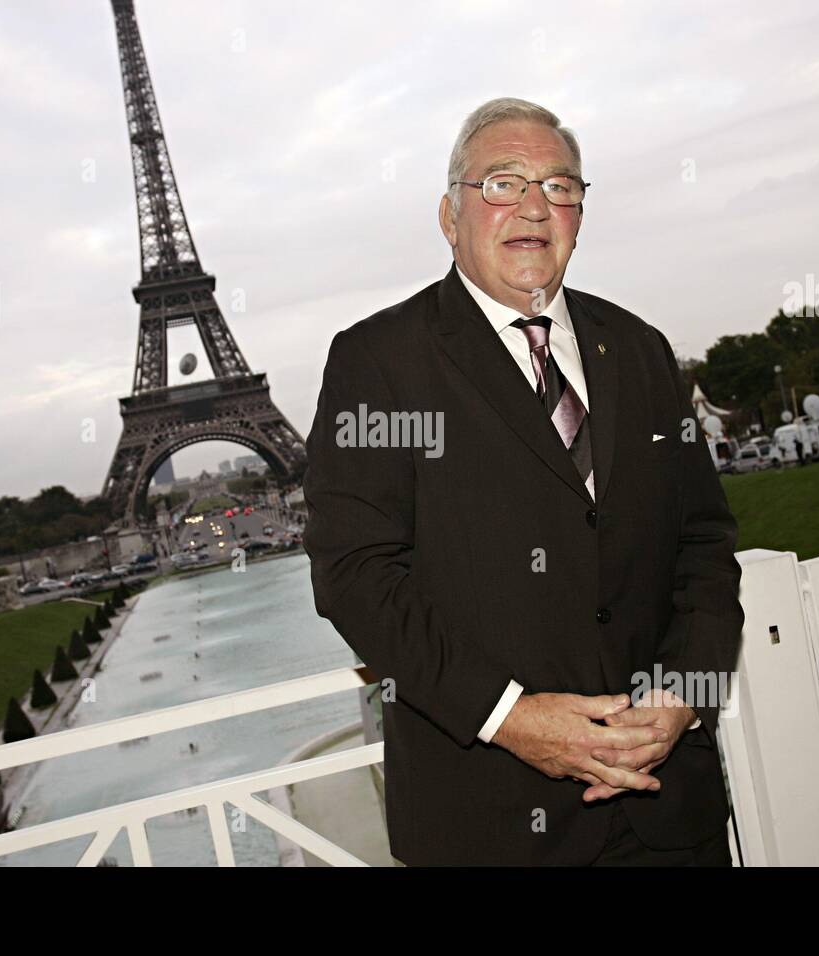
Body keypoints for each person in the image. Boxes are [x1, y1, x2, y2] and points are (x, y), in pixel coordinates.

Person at [302, 98, 744, 866]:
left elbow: (704, 543)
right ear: (450, 215)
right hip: (492, 823)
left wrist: (683, 697)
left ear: (579, 214)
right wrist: (510, 718)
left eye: (560, 187)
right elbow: (354, 575)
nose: (535, 206)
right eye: (502, 183)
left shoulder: (639, 350)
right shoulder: (378, 361)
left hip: (668, 808)